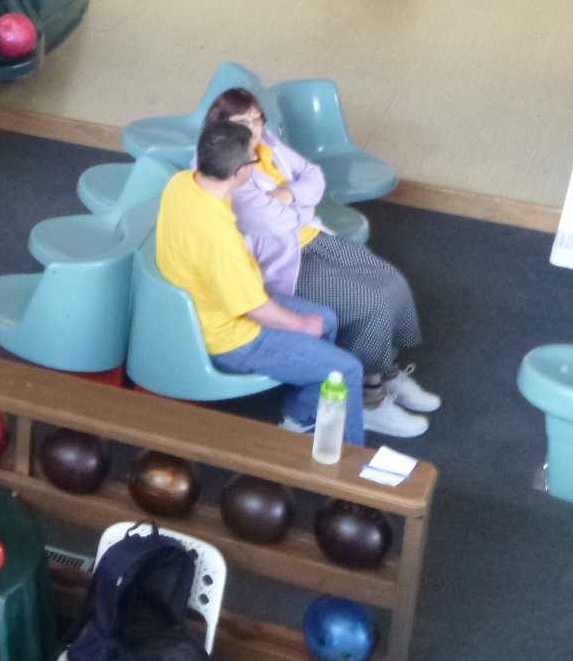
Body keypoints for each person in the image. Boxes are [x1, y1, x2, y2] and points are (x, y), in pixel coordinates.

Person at [203, 89, 439, 436]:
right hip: (284, 262)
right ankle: (368, 398)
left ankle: (385, 371)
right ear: (221, 126)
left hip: (313, 237)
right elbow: (272, 223)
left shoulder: (267, 142)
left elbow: (314, 176)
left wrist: (287, 195)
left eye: (257, 119)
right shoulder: (226, 166)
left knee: (392, 280)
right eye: (243, 122)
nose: (254, 129)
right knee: (369, 302)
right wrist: (299, 202)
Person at [156, 120, 365, 444]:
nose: (259, 160)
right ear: (240, 171)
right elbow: (254, 308)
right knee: (347, 370)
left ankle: (299, 416)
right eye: (255, 158)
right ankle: (349, 462)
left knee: (326, 319)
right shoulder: (218, 239)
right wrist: (300, 324)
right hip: (232, 337)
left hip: (206, 304)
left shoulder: (182, 182)